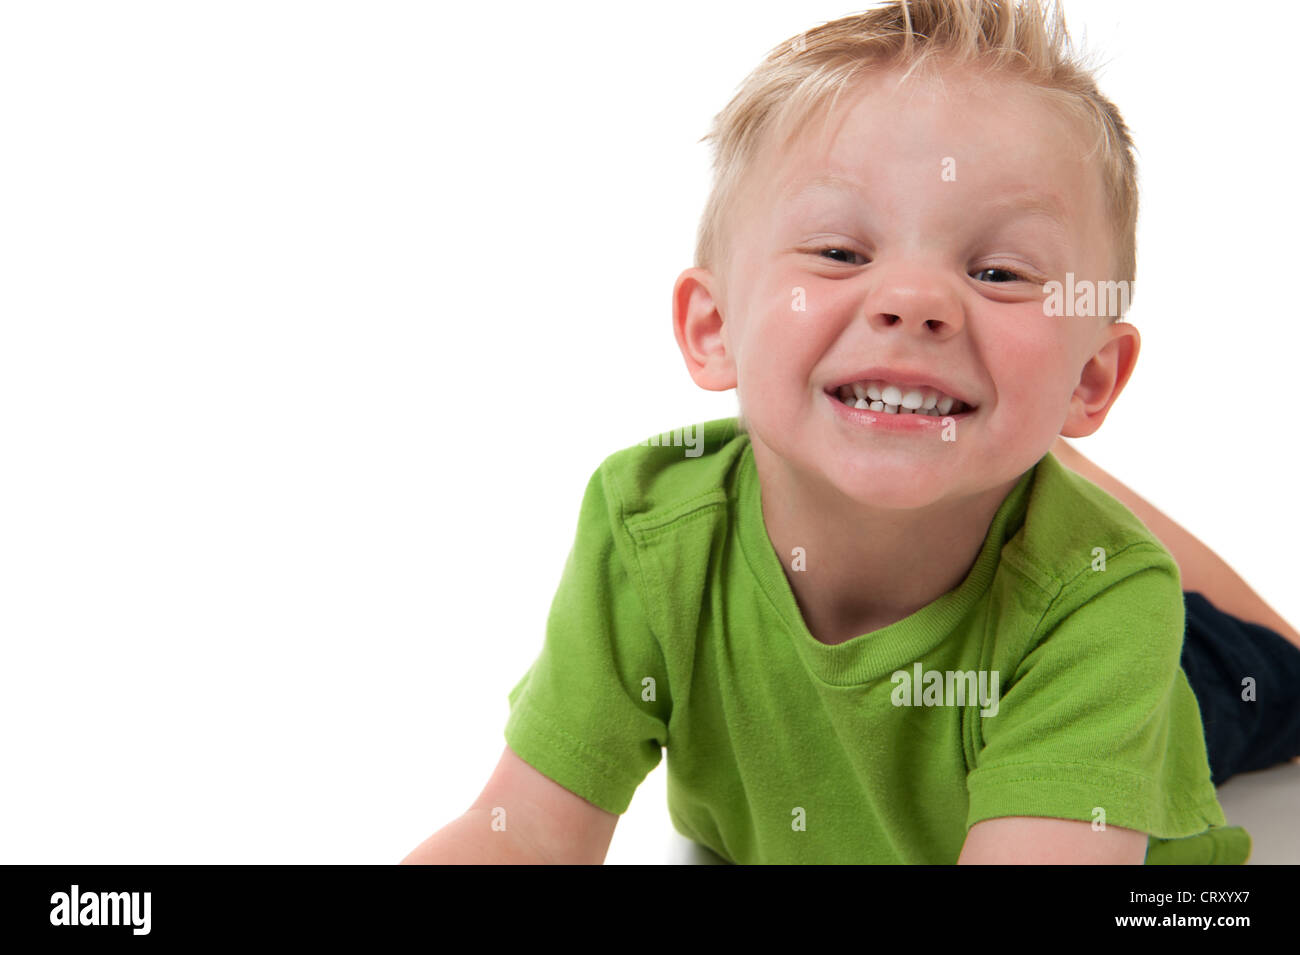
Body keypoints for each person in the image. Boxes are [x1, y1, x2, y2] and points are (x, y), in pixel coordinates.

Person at [402, 0, 1300, 864]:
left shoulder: (1102, 610)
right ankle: (1022, 456)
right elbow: (517, 834)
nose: (913, 302)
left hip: (1125, 665)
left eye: (996, 271)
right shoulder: (649, 534)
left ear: (1092, 379)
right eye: (840, 253)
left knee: (1269, 675)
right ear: (714, 328)